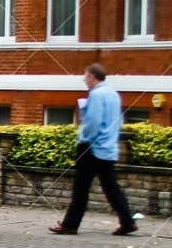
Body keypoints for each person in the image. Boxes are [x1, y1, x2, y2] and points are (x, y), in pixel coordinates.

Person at [51, 63, 138, 237]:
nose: (84, 80)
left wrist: (85, 139)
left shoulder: (97, 94)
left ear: (92, 76)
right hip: (108, 148)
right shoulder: (113, 94)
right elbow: (118, 122)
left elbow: (93, 122)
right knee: (111, 187)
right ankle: (127, 221)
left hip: (91, 147)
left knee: (81, 188)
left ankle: (70, 225)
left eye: (86, 76)